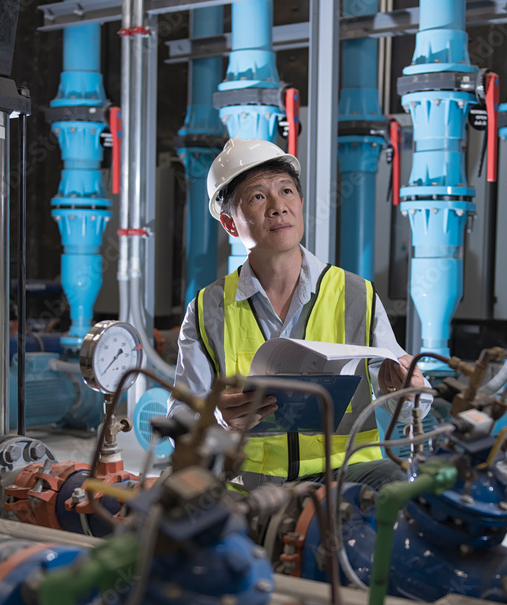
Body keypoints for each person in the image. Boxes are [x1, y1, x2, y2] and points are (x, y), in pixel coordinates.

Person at [168, 137, 426, 491]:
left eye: (286, 191)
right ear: (230, 224)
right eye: (258, 197)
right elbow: (180, 423)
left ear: (300, 202)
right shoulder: (206, 309)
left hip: (346, 482)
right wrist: (217, 418)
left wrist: (410, 393)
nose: (278, 207)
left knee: (403, 490)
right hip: (249, 487)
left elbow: (407, 403)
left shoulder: (356, 295)